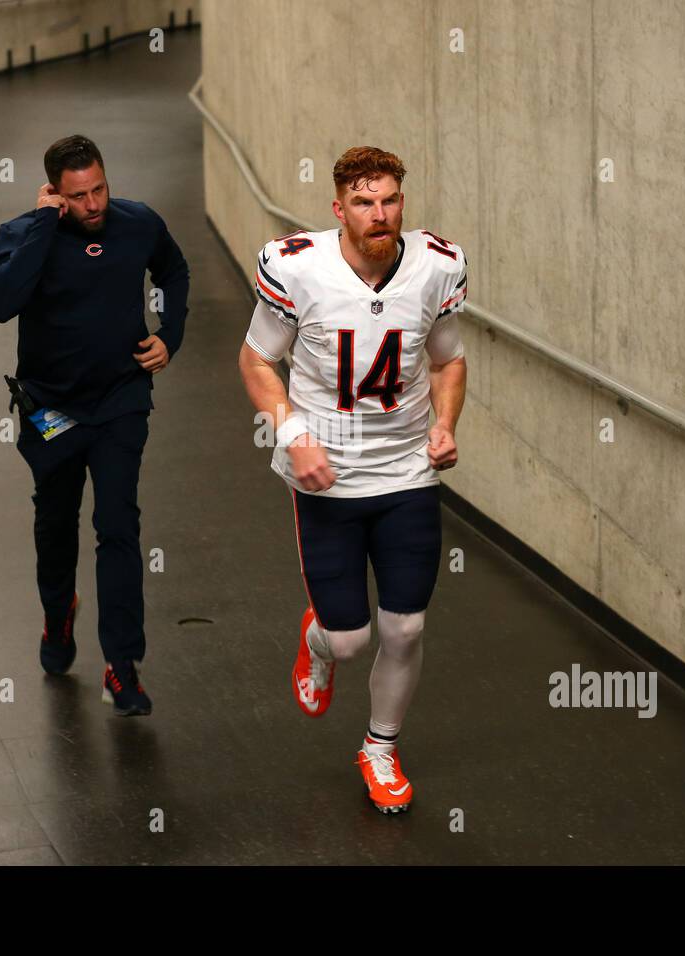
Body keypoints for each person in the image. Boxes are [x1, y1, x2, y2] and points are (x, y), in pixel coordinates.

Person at [237, 146, 468, 812]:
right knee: (351, 637)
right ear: (338, 208)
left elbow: (449, 363)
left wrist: (445, 425)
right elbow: (256, 361)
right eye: (364, 202)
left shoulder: (437, 266)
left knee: (406, 630)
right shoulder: (296, 267)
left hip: (406, 470)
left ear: (403, 202)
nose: (380, 213)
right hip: (327, 470)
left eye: (390, 199)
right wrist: (292, 434)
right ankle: (319, 641)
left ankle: (379, 748)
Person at [0, 135, 189, 716]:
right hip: (50, 409)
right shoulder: (23, 234)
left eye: (99, 188)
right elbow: (1, 302)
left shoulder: (137, 222)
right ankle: (57, 613)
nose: (94, 204)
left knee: (118, 524)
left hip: (121, 398)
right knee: (55, 522)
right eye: (78, 196)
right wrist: (46, 228)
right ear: (53, 192)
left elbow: (174, 272)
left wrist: (168, 335)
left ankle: (122, 667)